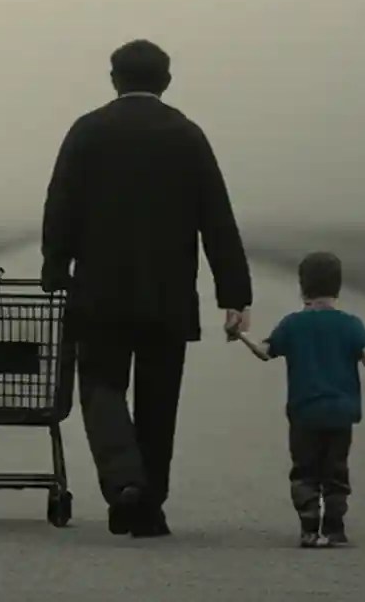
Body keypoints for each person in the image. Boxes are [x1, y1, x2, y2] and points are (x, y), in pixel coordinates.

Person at [40, 39, 253, 537]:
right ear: (167, 81)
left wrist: (56, 267)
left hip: (99, 292)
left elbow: (61, 203)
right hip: (168, 293)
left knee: (101, 388)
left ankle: (123, 483)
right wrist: (234, 294)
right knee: (160, 402)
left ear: (113, 79)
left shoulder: (88, 131)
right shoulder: (187, 135)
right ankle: (149, 506)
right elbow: (216, 217)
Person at [229, 251, 365, 548]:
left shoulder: (292, 325)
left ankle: (309, 526)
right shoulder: (351, 324)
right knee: (336, 470)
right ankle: (334, 528)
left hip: (304, 413)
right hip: (341, 413)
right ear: (338, 287)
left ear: (302, 286)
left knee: (305, 470)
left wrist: (241, 334)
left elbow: (265, 351)